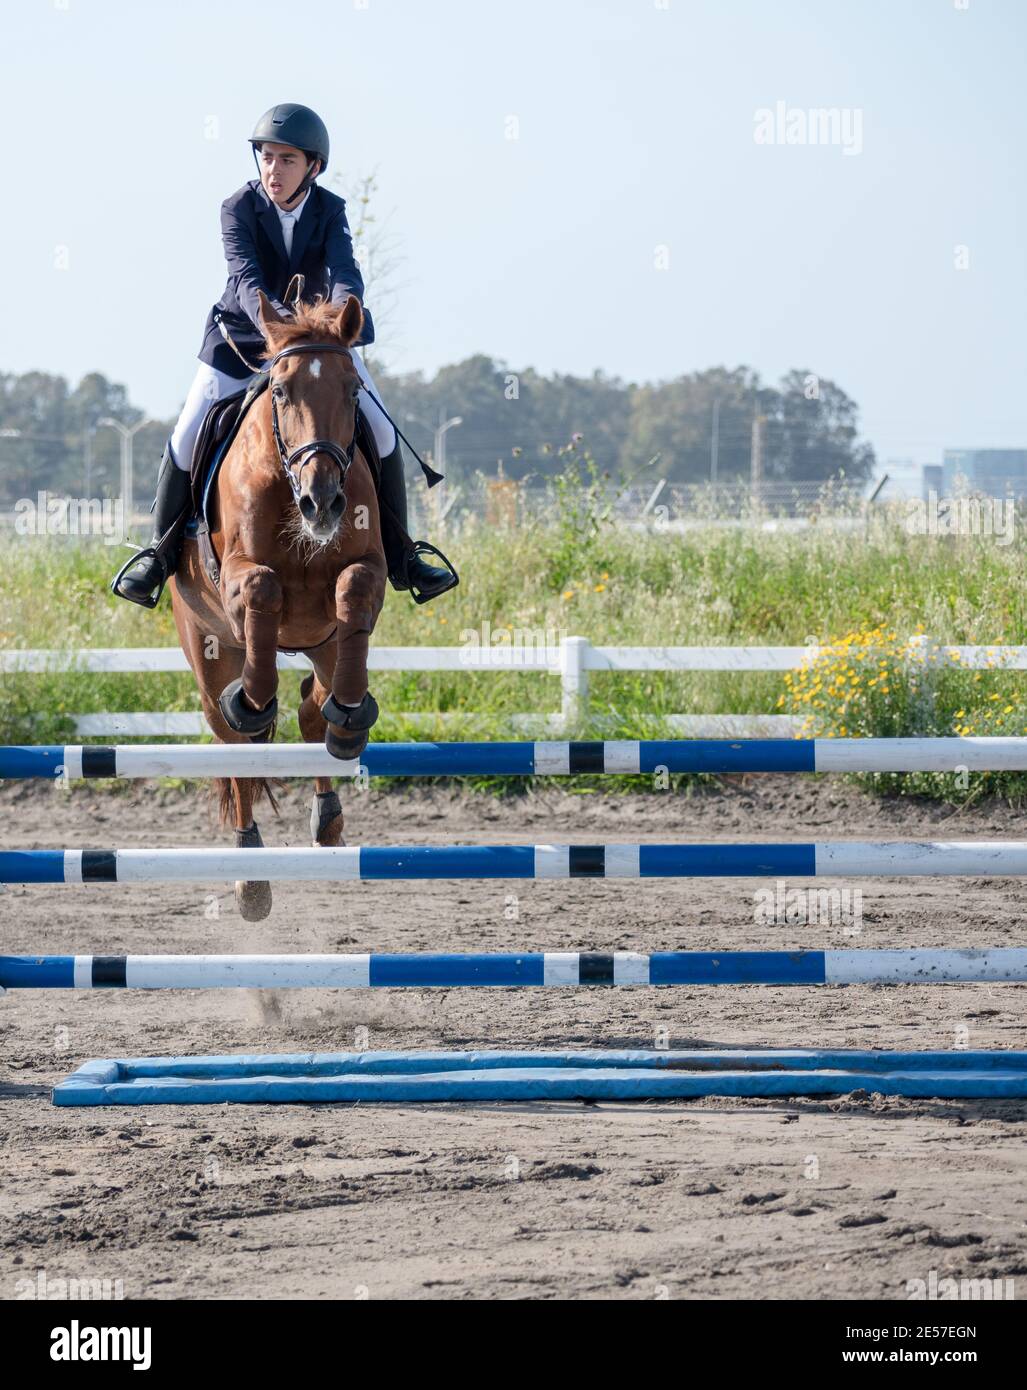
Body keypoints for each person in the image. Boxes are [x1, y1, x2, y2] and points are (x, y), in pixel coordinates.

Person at [113, 102, 457, 607]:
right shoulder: (237, 208)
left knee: (382, 432)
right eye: (267, 158)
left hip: (320, 345)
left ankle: (404, 556)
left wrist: (338, 318)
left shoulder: (331, 210)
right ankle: (159, 554)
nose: (273, 169)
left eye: (286, 160)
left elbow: (345, 272)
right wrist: (279, 326)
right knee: (187, 434)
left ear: (312, 167)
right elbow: (245, 278)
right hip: (241, 343)